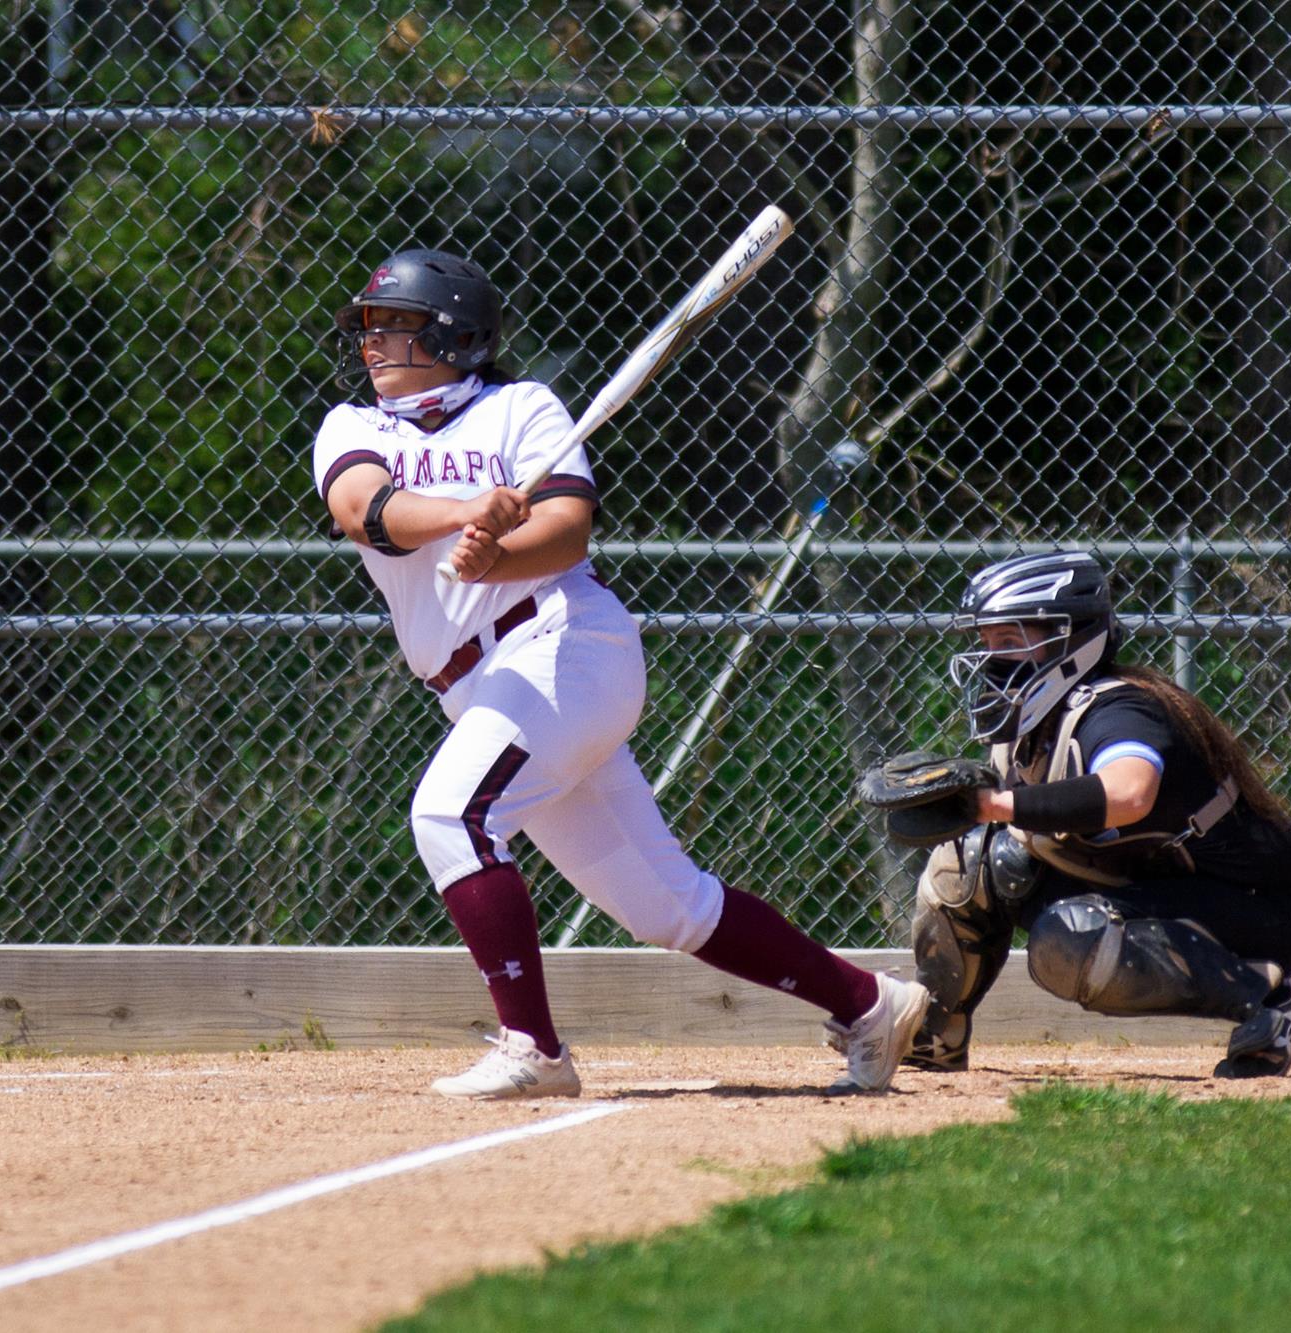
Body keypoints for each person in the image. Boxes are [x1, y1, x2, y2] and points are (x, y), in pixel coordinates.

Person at [312, 246, 929, 1099]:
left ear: (454, 333)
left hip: (565, 648)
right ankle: (869, 1002)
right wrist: (465, 513)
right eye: (369, 327)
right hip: (479, 688)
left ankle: (533, 1047)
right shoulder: (353, 428)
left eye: (395, 325)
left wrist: (496, 555)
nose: (373, 343)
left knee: (450, 814)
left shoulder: (522, 409)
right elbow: (365, 512)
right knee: (667, 905)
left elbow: (565, 532)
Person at [903, 550, 1291, 1078]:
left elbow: (1130, 793)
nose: (991, 663)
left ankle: (1273, 1004)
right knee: (971, 861)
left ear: (1069, 640)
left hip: (1249, 908)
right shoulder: (1030, 729)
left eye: (1009, 644)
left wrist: (992, 805)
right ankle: (937, 1032)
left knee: (1071, 938)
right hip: (1157, 889)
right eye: (986, 644)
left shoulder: (1120, 709)